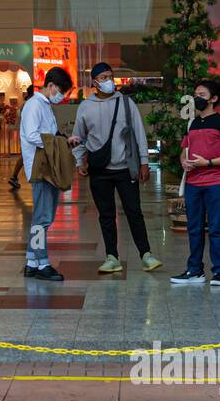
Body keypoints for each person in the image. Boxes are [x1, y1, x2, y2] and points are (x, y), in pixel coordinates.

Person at [71, 62, 163, 275]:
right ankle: (112, 257)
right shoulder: (85, 107)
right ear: (94, 82)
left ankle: (146, 254)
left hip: (125, 169)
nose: (109, 81)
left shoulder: (126, 103)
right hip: (99, 169)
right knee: (106, 214)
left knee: (134, 211)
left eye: (110, 76)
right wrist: (79, 161)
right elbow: (79, 137)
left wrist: (143, 162)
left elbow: (138, 133)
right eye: (104, 77)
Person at [170, 80, 220, 287]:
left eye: (201, 94)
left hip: (215, 182)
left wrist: (207, 162)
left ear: (214, 98)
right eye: (195, 94)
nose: (196, 98)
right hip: (193, 183)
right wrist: (184, 160)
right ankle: (195, 270)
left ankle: (219, 272)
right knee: (194, 227)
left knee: (216, 227)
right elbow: (185, 149)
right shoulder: (192, 123)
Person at [19, 67, 73, 280]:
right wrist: (57, 143)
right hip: (40, 168)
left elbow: (48, 134)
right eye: (60, 91)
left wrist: (62, 140)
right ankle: (42, 263)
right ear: (50, 86)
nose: (61, 96)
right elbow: (32, 135)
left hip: (46, 166)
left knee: (42, 217)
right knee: (42, 218)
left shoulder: (44, 105)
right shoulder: (34, 105)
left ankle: (32, 261)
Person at [9, 85, 34, 190]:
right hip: (30, 133)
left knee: (24, 156)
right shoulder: (31, 104)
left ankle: (14, 176)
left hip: (25, 133)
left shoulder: (25, 104)